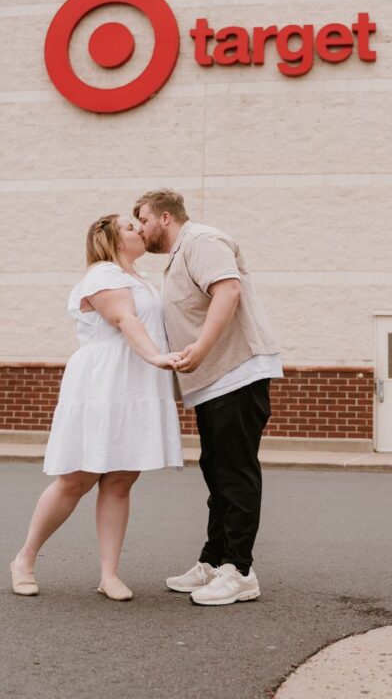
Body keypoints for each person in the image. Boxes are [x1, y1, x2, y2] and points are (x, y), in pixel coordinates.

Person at [10, 214, 183, 601]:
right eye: (128, 227)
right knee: (77, 479)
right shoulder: (103, 274)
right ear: (108, 240)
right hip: (104, 382)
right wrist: (157, 357)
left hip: (136, 382)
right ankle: (24, 558)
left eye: (138, 224)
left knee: (121, 480)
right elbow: (124, 318)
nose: (139, 228)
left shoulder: (140, 278)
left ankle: (109, 574)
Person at [133, 189, 283, 606]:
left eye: (142, 219)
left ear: (165, 217)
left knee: (234, 471)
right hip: (213, 381)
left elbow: (228, 291)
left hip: (236, 370)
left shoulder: (201, 240)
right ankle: (214, 560)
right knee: (216, 471)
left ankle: (240, 570)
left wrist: (199, 349)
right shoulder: (181, 255)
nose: (140, 229)